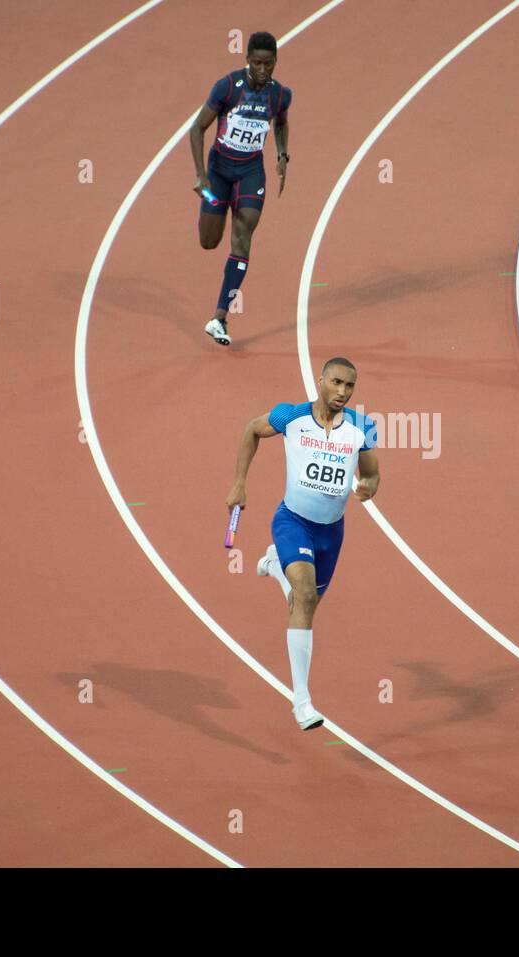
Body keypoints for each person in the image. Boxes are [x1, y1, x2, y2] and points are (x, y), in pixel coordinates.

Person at [226, 358, 380, 729]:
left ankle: (276, 566)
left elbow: (372, 473)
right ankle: (302, 701)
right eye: (337, 382)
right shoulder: (291, 417)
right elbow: (251, 430)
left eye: (350, 387)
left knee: (303, 605)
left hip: (332, 533)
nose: (343, 392)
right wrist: (239, 483)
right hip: (293, 522)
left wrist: (369, 488)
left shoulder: (362, 429)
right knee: (305, 597)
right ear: (321, 380)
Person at [189, 30, 291, 347]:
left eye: (269, 64)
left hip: (251, 171)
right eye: (257, 63)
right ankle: (209, 199)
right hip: (218, 172)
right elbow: (197, 129)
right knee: (208, 241)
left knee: (244, 234)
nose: (263, 70)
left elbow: (282, 123)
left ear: (275, 62)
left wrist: (282, 154)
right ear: (247, 59)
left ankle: (219, 317)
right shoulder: (227, 87)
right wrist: (201, 176)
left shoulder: (280, 95)